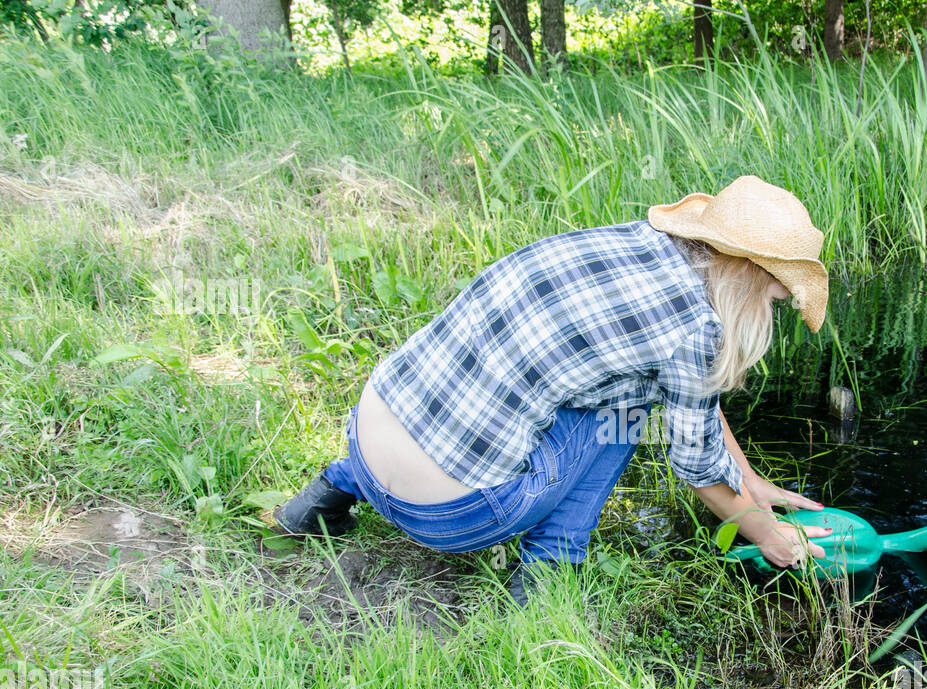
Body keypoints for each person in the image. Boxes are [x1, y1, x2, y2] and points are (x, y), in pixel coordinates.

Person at [272, 174, 832, 606]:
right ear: (756, 279)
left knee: (493, 385)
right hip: (448, 515)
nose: (773, 312)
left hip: (367, 442)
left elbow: (694, 400)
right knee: (628, 412)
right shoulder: (696, 328)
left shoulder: (627, 244)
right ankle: (548, 573)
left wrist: (750, 479)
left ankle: (319, 501)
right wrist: (763, 531)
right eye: (778, 301)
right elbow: (694, 462)